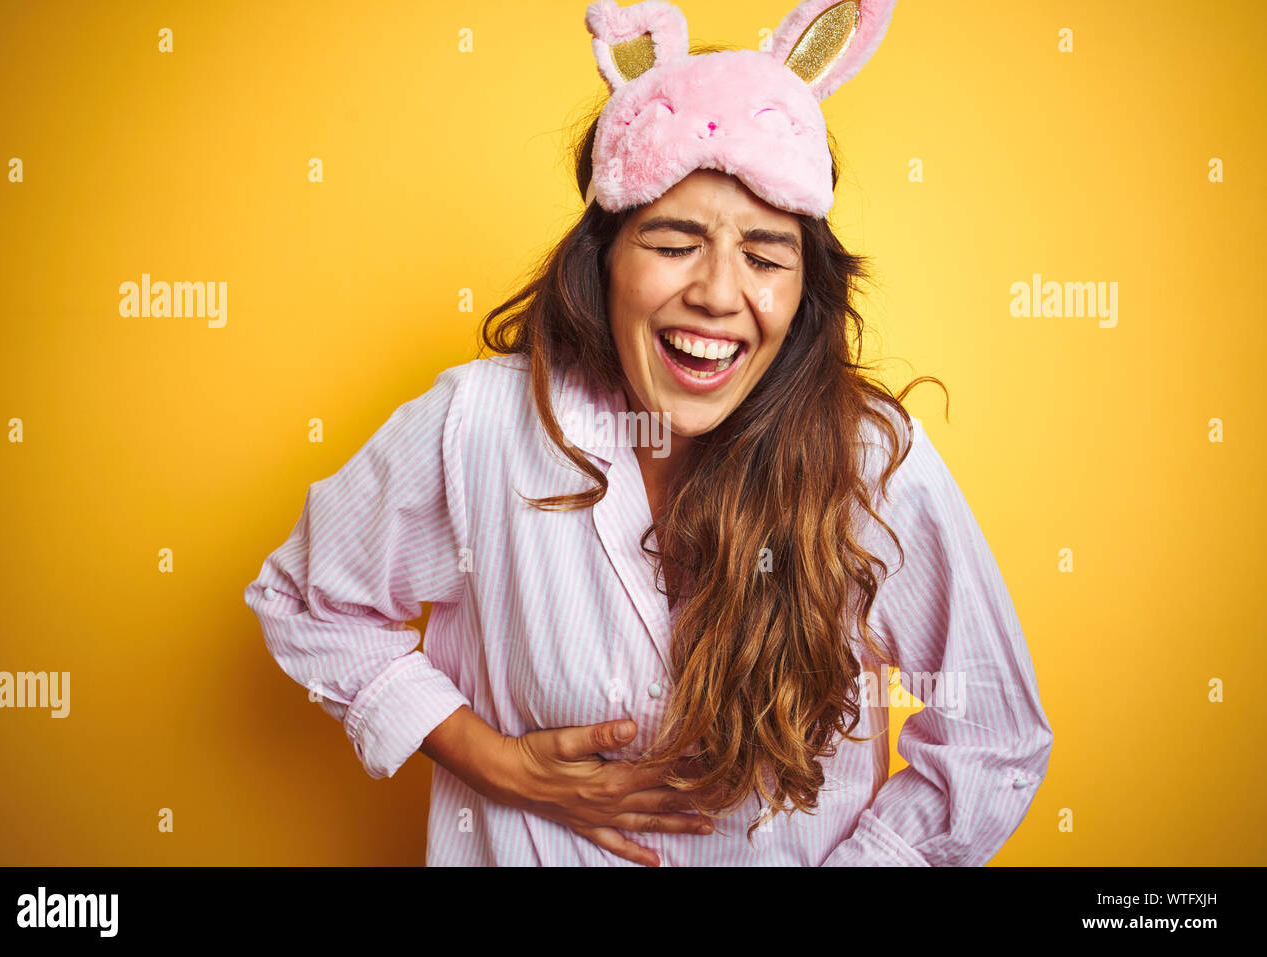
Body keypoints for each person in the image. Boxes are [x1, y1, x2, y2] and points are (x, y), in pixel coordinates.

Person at [244, 0, 1053, 866]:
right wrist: (497, 763)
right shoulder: (478, 423)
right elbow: (307, 601)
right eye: (674, 242)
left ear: (802, 286)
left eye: (766, 254)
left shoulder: (870, 462)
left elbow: (991, 734)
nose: (716, 291)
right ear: (604, 260)